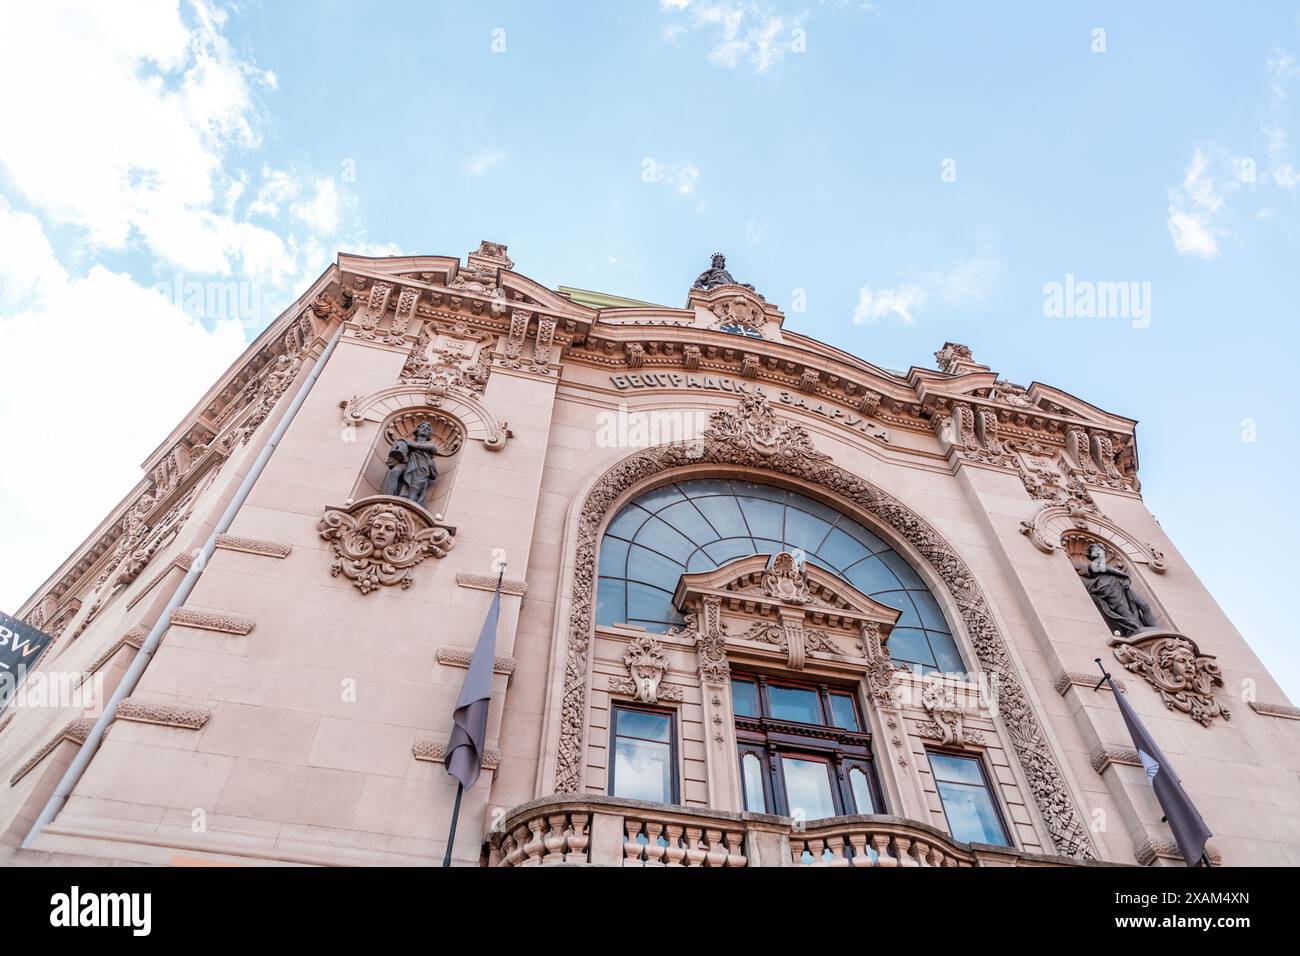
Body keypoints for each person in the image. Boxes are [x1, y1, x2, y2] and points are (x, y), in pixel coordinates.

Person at [1080, 542, 1156, 636]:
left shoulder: (1108, 567)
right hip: (1108, 589)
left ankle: (1155, 629)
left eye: (1099, 549)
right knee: (1124, 611)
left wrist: (1125, 579)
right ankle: (1133, 630)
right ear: (1091, 554)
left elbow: (1114, 572)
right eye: (1095, 550)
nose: (1098, 551)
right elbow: (1107, 569)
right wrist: (1124, 575)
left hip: (1121, 588)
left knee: (1144, 605)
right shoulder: (1092, 566)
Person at [382, 421, 441, 507]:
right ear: (417, 431)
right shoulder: (407, 442)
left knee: (415, 487)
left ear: (429, 435)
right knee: (394, 472)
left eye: (427, 428)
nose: (425, 428)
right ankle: (387, 500)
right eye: (422, 427)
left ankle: (408, 506)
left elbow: (431, 448)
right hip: (407, 461)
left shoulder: (431, 446)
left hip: (421, 465)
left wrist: (406, 443)